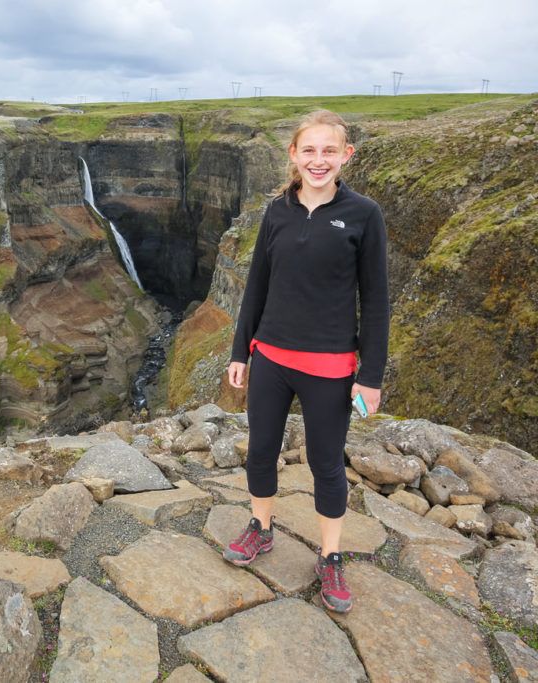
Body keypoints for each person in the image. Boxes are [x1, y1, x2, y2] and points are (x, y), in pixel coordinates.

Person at [220, 110, 390, 614]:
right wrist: (239, 352)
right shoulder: (277, 210)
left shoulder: (364, 214)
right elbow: (257, 285)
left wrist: (371, 376)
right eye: (308, 151)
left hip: (331, 366)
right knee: (260, 451)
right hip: (270, 357)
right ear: (294, 154)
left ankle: (331, 557)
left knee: (326, 465)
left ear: (345, 156)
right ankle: (261, 528)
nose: (318, 161)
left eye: (328, 151)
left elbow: (376, 300)